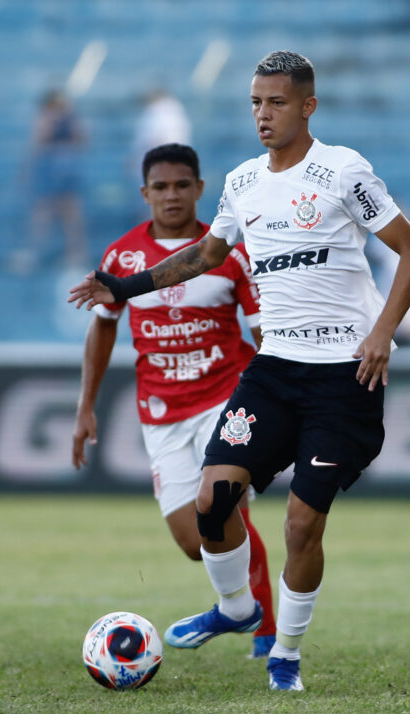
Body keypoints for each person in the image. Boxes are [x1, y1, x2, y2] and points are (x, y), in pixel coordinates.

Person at [69, 51, 410, 691]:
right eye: (256, 103)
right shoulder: (241, 183)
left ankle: (286, 651)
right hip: (273, 373)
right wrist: (122, 287)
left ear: (308, 106)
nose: (264, 114)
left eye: (278, 103)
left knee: (299, 523)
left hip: (343, 377)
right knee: (213, 499)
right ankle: (237, 608)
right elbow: (207, 253)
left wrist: (382, 333)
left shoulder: (344, 171)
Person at [71, 143, 276, 658]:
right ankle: (244, 608)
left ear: (200, 189)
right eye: (160, 187)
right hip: (161, 413)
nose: (171, 196)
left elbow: (264, 334)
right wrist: (85, 406)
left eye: (182, 185)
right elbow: (102, 332)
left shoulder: (228, 251)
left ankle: (264, 626)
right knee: (195, 541)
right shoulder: (122, 257)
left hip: (225, 399)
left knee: (225, 507)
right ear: (144, 194)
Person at [13, 89, 87, 273]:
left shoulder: (70, 120)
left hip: (64, 171)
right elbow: (38, 143)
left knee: (69, 214)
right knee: (44, 214)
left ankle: (75, 254)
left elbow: (83, 140)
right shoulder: (46, 118)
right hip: (50, 171)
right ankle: (35, 253)